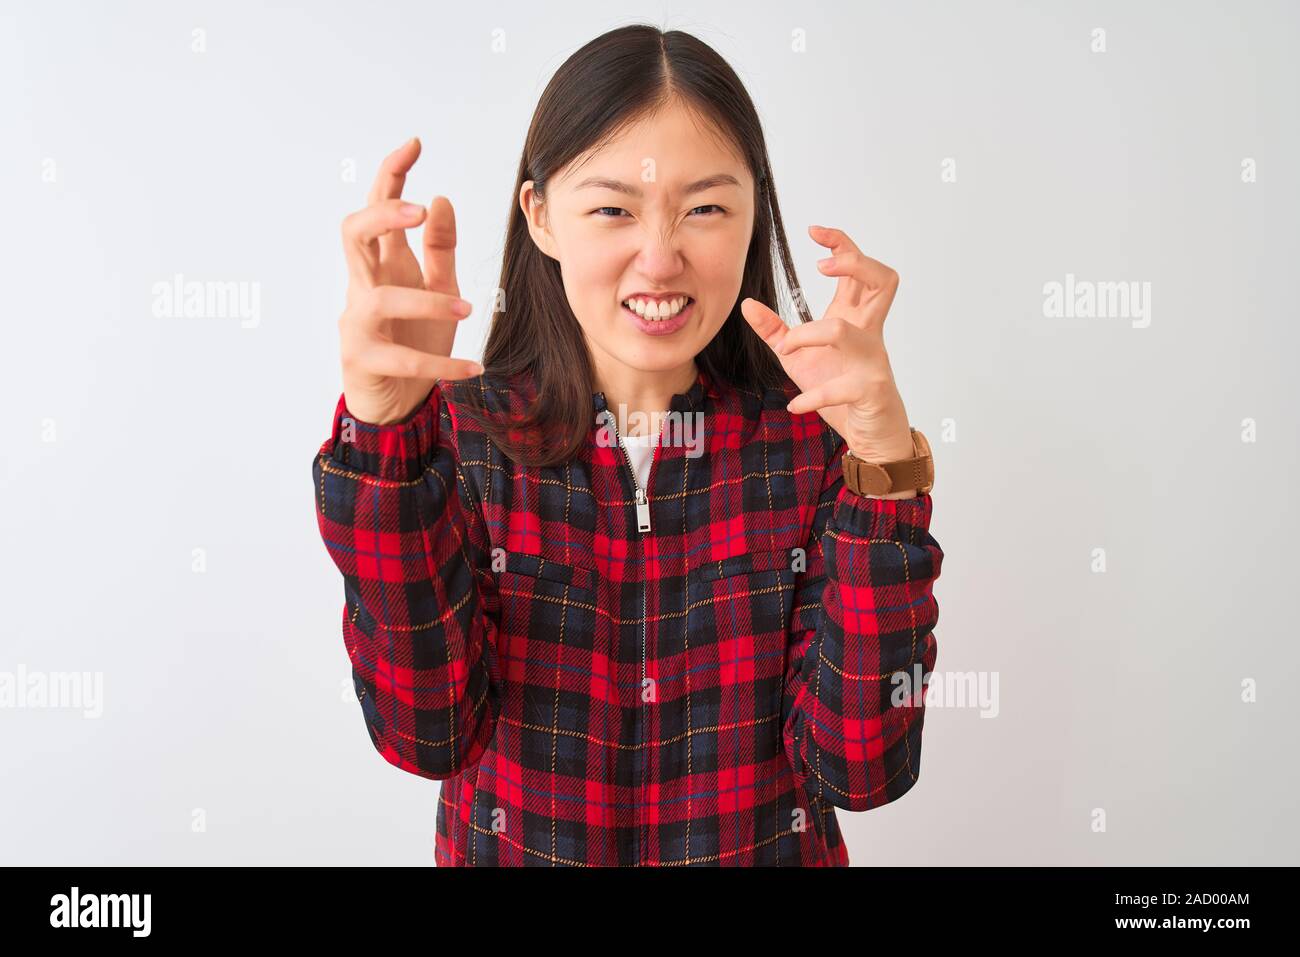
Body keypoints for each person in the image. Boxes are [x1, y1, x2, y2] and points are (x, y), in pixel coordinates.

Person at [313, 23, 943, 866]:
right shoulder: (459, 438)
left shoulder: (817, 447)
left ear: (755, 214)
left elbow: (861, 769)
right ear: (540, 216)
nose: (659, 258)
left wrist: (886, 471)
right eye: (612, 208)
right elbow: (425, 734)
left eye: (706, 208)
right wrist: (387, 439)